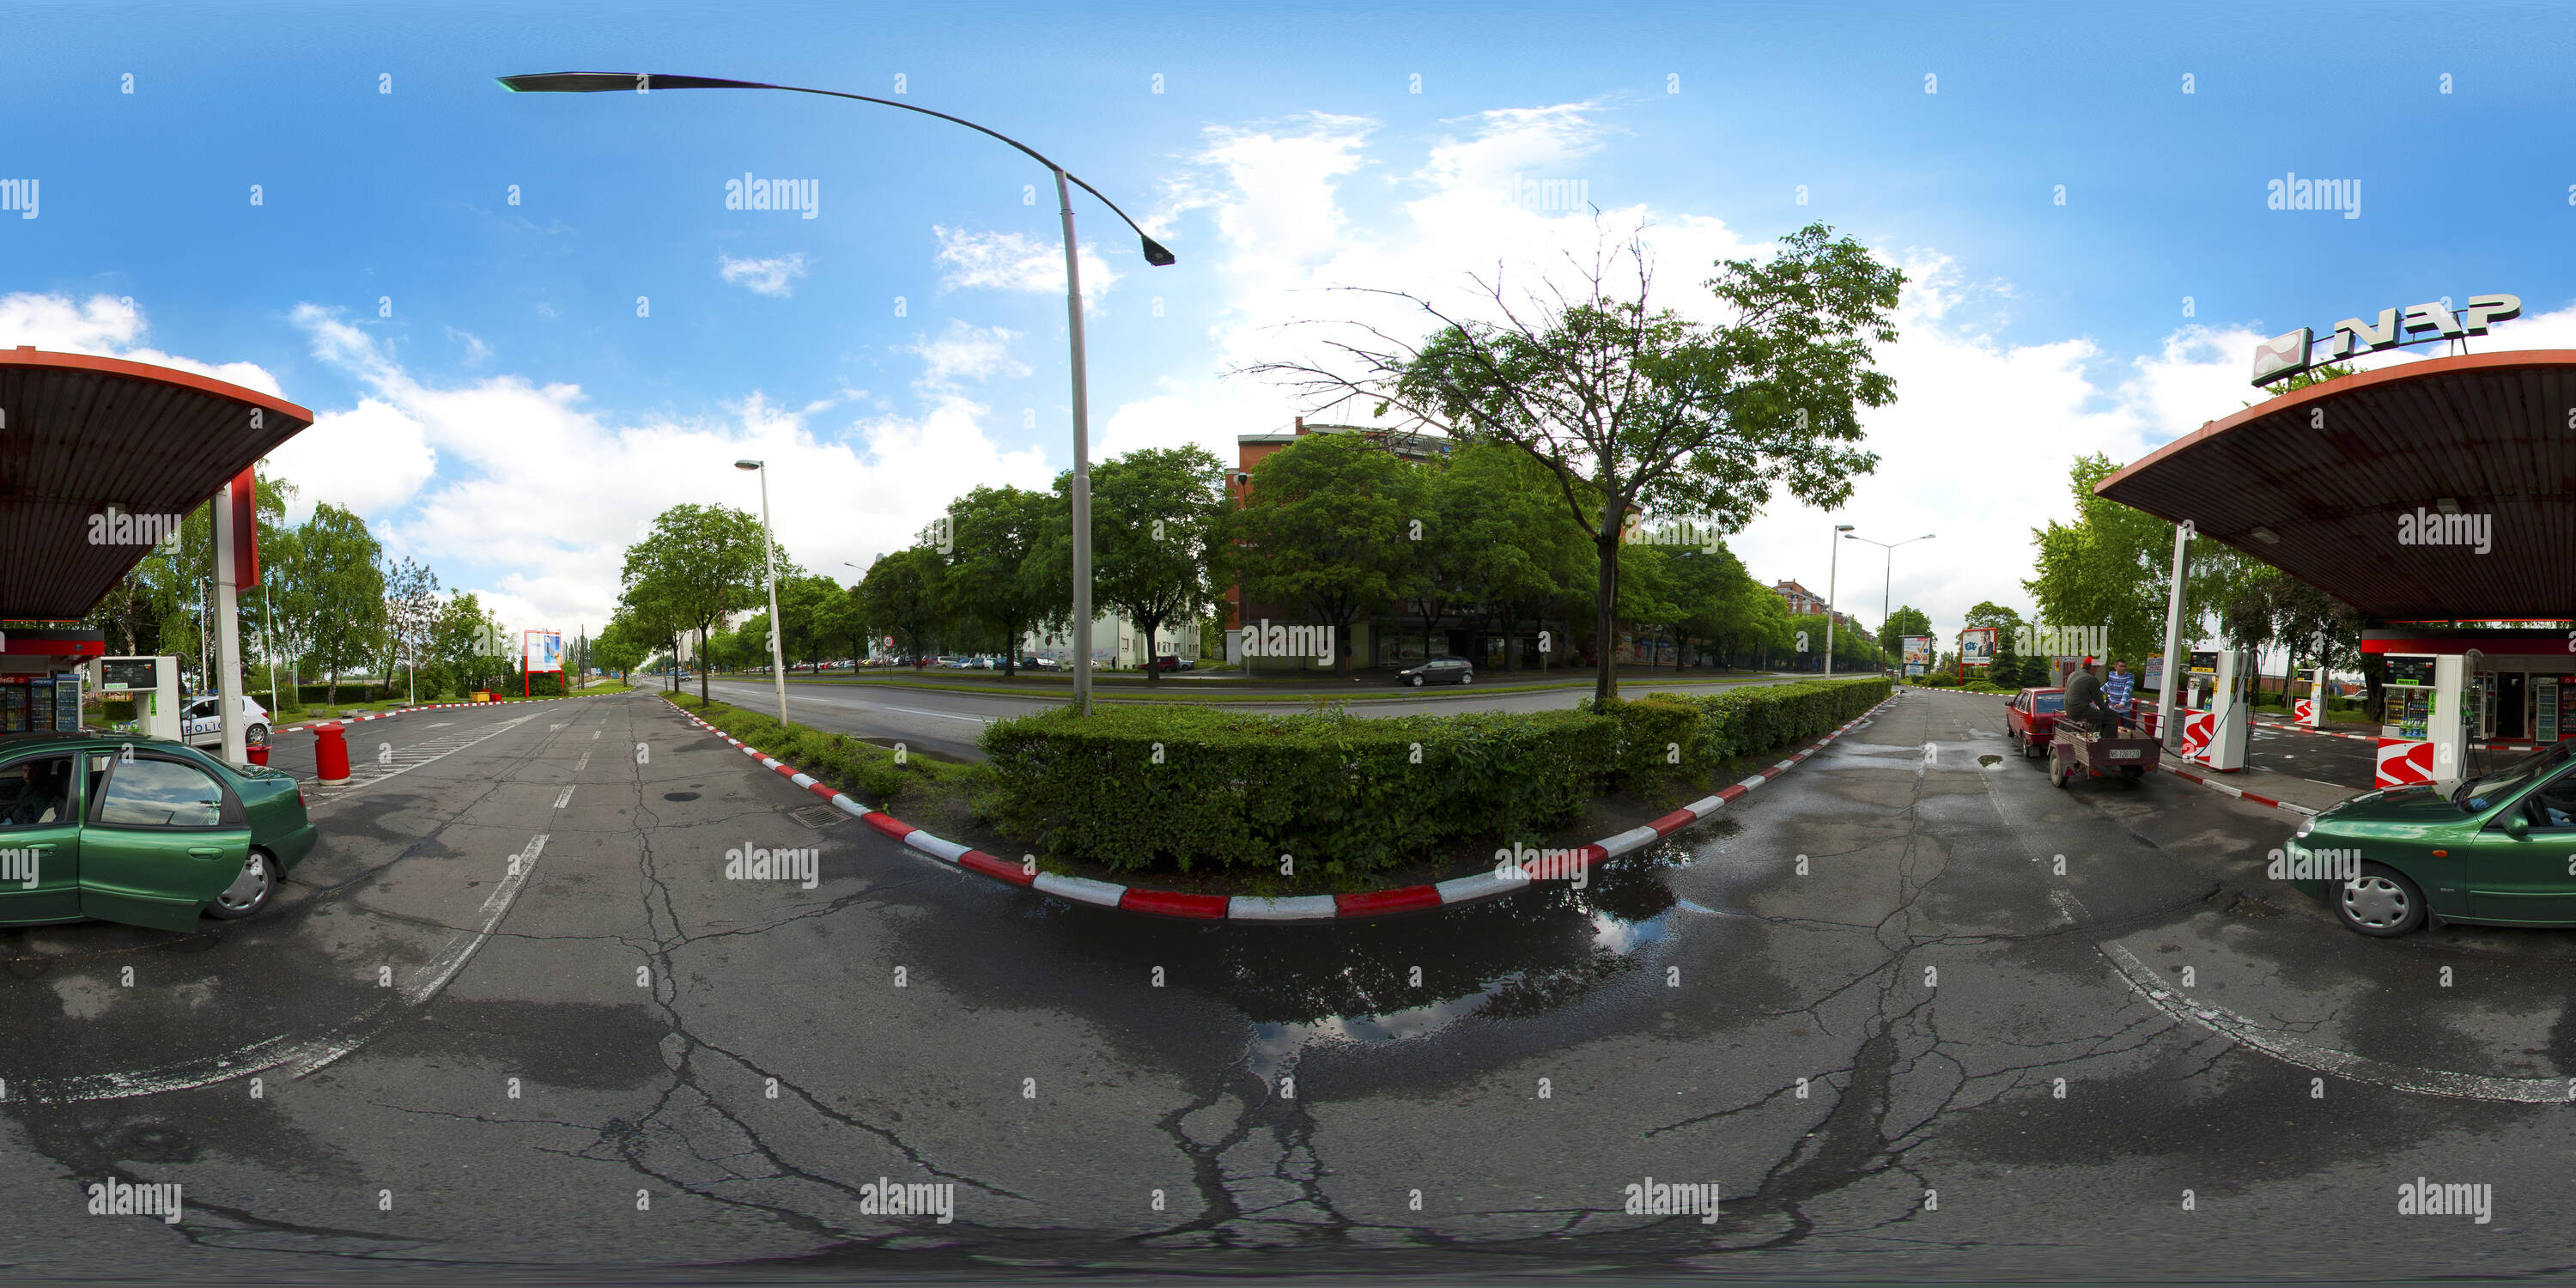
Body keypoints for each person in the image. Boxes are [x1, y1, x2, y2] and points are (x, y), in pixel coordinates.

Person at [2062, 658, 2116, 735]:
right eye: (2096, 667)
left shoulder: (2073, 675)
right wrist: (2106, 709)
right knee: (2112, 716)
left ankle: (2093, 735)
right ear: (2092, 667)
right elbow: (2100, 704)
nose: (2097, 670)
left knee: (2098, 715)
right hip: (2079, 711)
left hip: (2068, 710)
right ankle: (2106, 741)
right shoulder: (2092, 679)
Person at [2102, 659, 2136, 730]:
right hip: (2113, 708)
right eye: (2121, 666)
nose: (2123, 668)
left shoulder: (2130, 676)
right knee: (2110, 728)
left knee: (2127, 730)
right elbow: (2106, 686)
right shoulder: (2112, 675)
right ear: (2115, 667)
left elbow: (2127, 690)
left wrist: (2122, 704)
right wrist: (2095, 694)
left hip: (2125, 708)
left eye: (2125, 666)